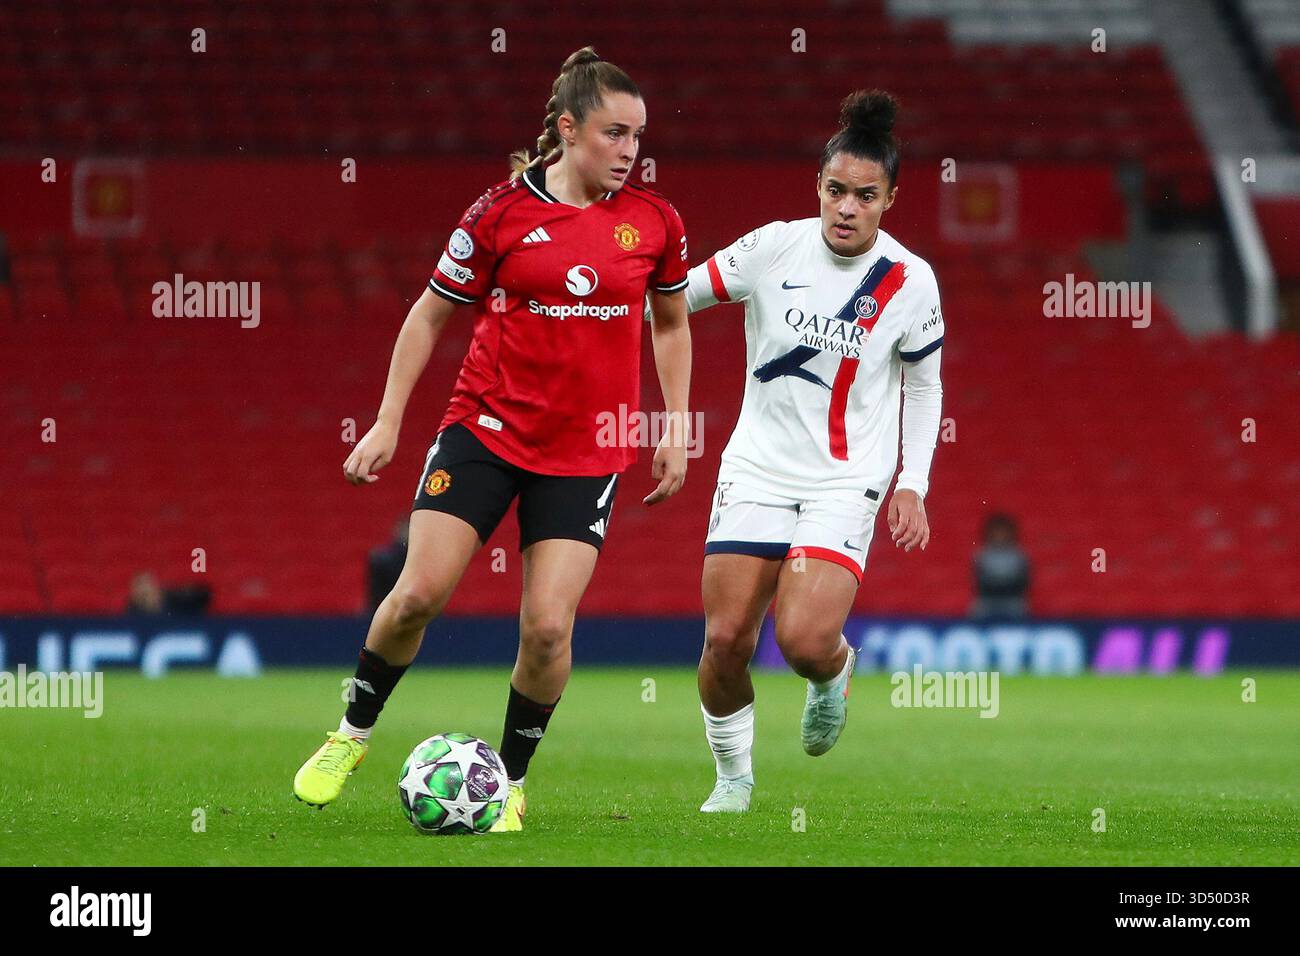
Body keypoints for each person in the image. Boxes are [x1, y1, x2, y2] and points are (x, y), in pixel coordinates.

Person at [293, 47, 693, 832]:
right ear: (569, 130)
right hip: (487, 429)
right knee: (416, 596)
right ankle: (351, 734)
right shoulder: (499, 213)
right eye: (615, 135)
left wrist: (675, 423)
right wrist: (387, 420)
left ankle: (507, 781)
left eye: (639, 138)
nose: (629, 153)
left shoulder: (655, 223)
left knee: (547, 629)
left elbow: (672, 323)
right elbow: (428, 313)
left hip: (588, 452)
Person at [682, 90, 944, 812]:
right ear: (818, 187)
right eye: (836, 190)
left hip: (844, 480)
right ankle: (733, 779)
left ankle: (832, 673)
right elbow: (676, 295)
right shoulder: (771, 247)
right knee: (726, 638)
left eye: (865, 195)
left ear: (890, 198)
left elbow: (924, 388)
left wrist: (912, 481)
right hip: (757, 468)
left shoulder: (911, 281)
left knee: (800, 639)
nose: (847, 207)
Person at [970, 513, 1030, 619]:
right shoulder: (982, 555)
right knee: (977, 609)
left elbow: (1024, 581)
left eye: (1002, 532)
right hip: (988, 599)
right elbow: (978, 581)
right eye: (997, 532)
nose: (1000, 536)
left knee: (1020, 607)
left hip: (1012, 599)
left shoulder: (1018, 555)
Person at [367, 517, 409, 611]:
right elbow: (375, 592)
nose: (406, 533)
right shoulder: (381, 559)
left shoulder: (424, 560)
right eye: (404, 529)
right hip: (385, 608)